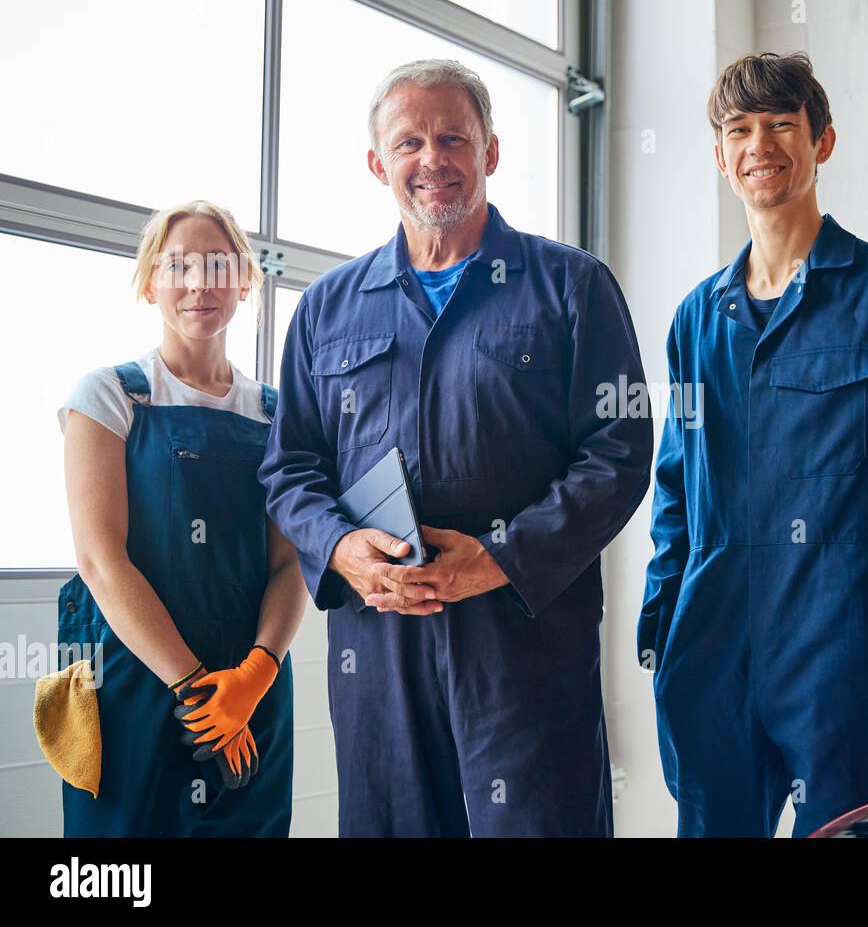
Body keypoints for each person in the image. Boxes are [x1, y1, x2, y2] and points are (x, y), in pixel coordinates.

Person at [259, 59, 653, 837]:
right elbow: (290, 466)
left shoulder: (571, 285)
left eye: (452, 138)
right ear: (378, 163)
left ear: (490, 153)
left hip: (524, 630)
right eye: (409, 143)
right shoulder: (326, 308)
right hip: (380, 635)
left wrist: (499, 557)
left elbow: (620, 451)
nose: (431, 159)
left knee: (544, 823)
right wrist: (340, 548)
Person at [639, 52, 868, 837]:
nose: (762, 144)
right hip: (711, 647)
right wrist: (659, 632)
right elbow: (676, 486)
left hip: (844, 650)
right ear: (721, 158)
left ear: (822, 142)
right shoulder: (696, 318)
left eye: (783, 123)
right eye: (740, 129)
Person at [50, 200, 305, 836]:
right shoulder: (109, 397)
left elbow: (291, 561)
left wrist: (254, 676)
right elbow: (101, 563)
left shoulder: (277, 415)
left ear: (247, 281)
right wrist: (197, 692)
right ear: (149, 283)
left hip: (250, 698)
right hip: (134, 686)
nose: (199, 282)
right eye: (178, 265)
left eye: (219, 264)